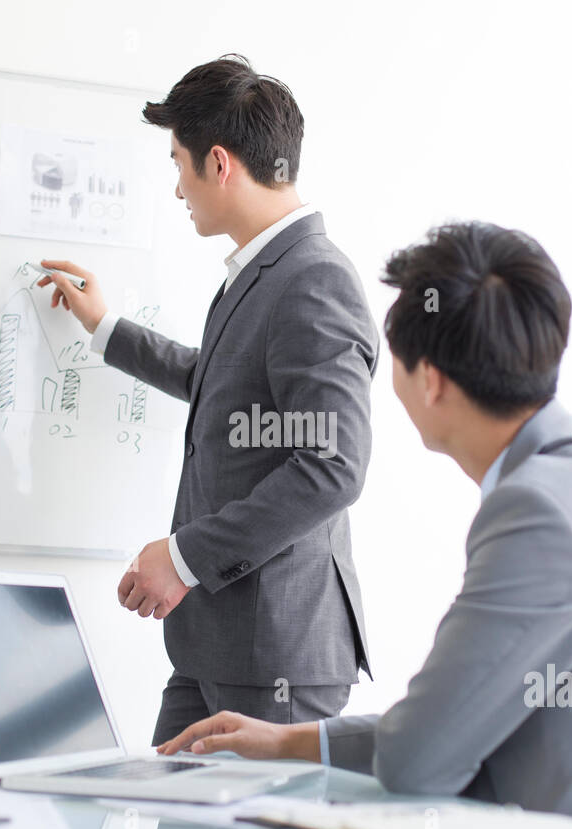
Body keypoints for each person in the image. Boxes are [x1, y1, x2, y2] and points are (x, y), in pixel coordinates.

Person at [158, 221, 572, 829]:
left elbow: (420, 757)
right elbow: (444, 727)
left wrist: (298, 745)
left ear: (431, 381)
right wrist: (289, 741)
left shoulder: (541, 512)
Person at [37, 55, 378, 745]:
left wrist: (185, 556)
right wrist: (106, 328)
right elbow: (220, 383)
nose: (176, 188)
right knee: (160, 813)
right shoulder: (260, 272)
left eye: (178, 164)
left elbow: (333, 466)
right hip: (215, 647)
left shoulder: (313, 279)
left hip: (275, 656)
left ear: (218, 163)